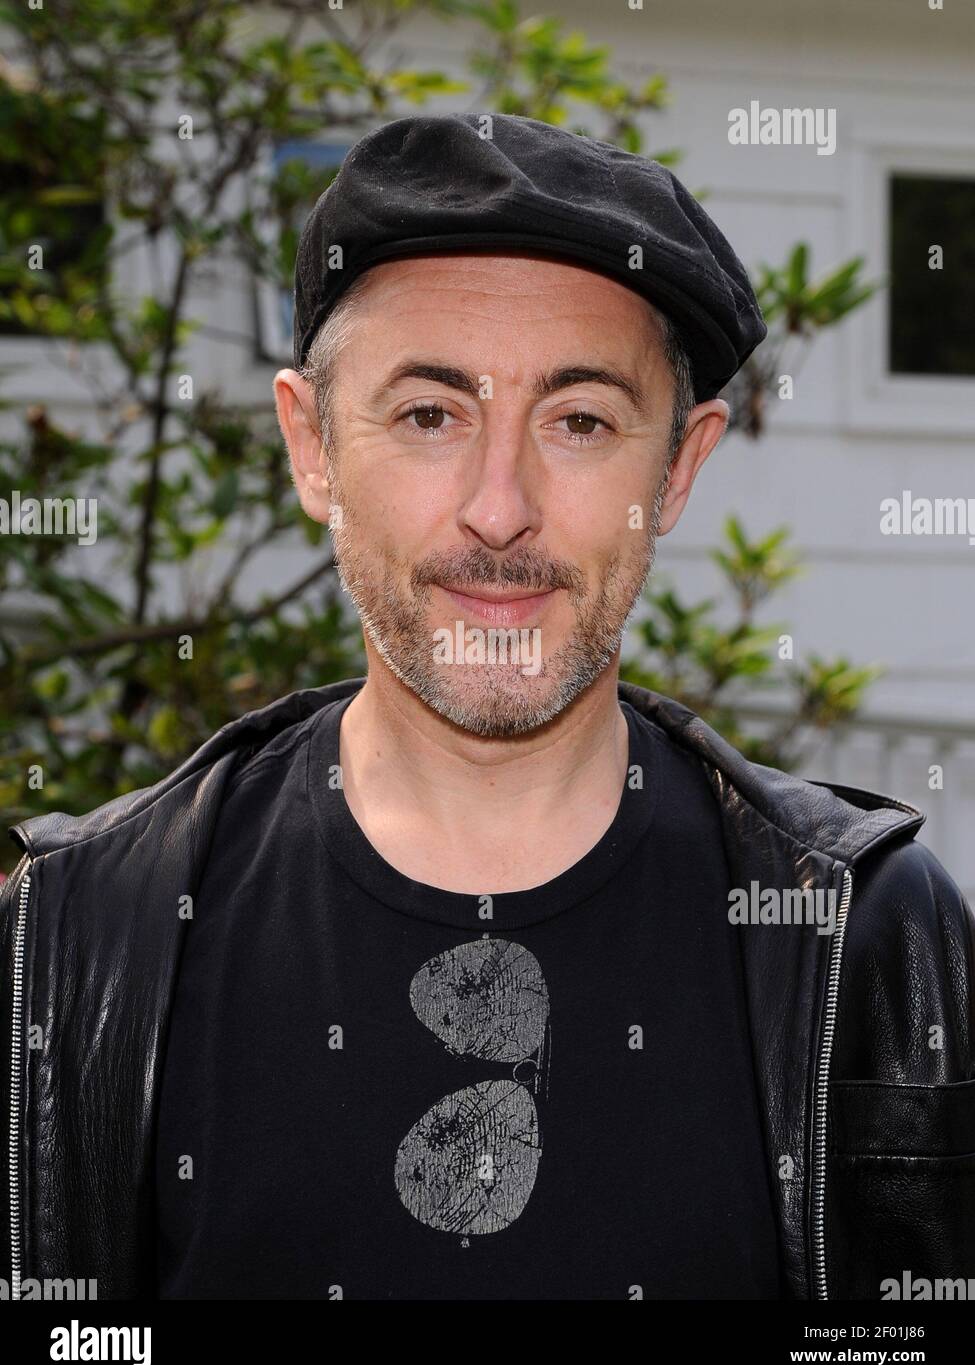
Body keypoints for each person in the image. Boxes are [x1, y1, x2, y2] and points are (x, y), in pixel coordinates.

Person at [2, 114, 972, 1302]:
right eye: (428, 414)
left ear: (676, 467)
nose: (500, 508)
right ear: (311, 447)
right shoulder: (80, 939)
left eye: (579, 421)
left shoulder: (863, 940)